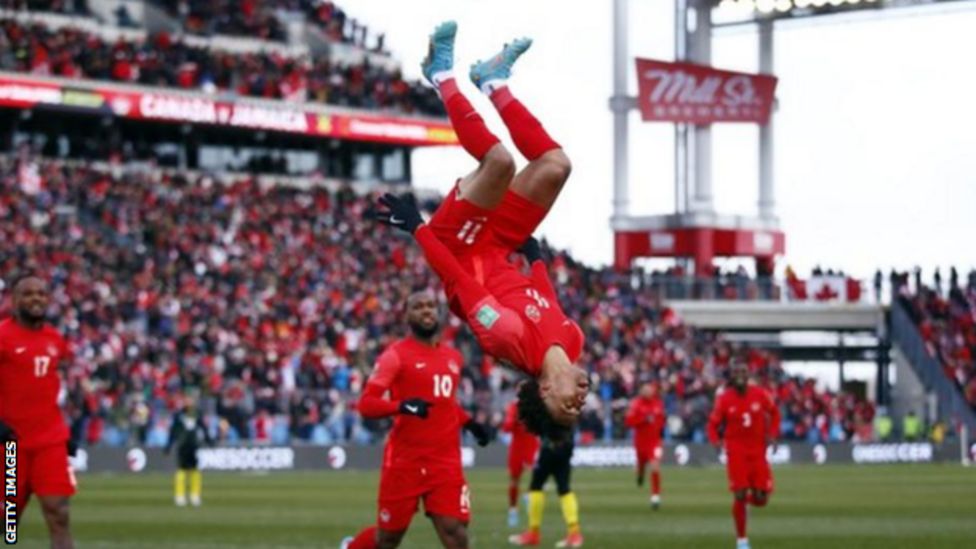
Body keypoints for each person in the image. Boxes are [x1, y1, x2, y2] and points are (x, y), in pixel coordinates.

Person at [372, 20, 588, 440]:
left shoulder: (507, 341)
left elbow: (456, 277)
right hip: (503, 244)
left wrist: (418, 227)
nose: (579, 402)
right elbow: (545, 300)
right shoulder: (574, 341)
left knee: (500, 164)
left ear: (544, 390)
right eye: (578, 409)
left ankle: (440, 74)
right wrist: (537, 260)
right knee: (556, 166)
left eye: (566, 406)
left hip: (459, 246)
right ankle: (493, 81)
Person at [341, 290, 491, 549]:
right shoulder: (394, 356)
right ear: (407, 315)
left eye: (431, 306)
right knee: (388, 540)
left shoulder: (453, 357)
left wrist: (469, 423)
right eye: (418, 306)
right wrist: (401, 406)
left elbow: (445, 403)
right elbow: (367, 404)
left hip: (444, 462)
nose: (426, 311)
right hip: (405, 461)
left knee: (455, 532)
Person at [0, 275, 76, 548]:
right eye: (29, 294)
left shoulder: (55, 340)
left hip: (49, 442)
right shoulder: (2, 336)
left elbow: (54, 385)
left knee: (59, 513)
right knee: (6, 520)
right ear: (15, 300)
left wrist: (68, 431)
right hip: (10, 445)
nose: (36, 299)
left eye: (41, 294)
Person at [707, 362, 781, 549]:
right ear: (731, 376)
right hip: (736, 452)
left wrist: (772, 435)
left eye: (743, 371)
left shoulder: (760, 393)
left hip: (757, 451)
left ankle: (746, 503)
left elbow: (775, 413)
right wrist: (716, 441)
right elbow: (712, 424)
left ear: (748, 374)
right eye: (736, 372)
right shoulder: (724, 399)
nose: (740, 374)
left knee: (762, 498)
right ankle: (742, 540)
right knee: (739, 493)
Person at [507, 432, 583, 548]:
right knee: (564, 488)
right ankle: (574, 532)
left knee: (536, 486)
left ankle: (533, 533)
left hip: (550, 446)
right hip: (566, 444)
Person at [164, 396, 213, 507]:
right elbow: (173, 431)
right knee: (181, 470)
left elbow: (203, 428)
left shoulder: (197, 414)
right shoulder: (178, 415)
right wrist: (168, 445)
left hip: (194, 445)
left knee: (195, 470)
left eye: (190, 401)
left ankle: (194, 495)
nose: (188, 403)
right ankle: (179, 496)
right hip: (182, 446)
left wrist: (209, 440)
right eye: (186, 401)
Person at [501, 397, 540, 527]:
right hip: (517, 446)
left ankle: (529, 495)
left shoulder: (536, 405)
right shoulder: (514, 406)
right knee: (514, 479)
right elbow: (507, 427)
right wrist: (511, 421)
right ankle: (513, 510)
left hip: (532, 443)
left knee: (538, 474)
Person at [625, 381, 665, 509]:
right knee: (641, 466)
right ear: (641, 391)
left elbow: (661, 420)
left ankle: (655, 496)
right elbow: (629, 421)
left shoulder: (658, 403)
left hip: (655, 442)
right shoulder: (636, 404)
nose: (649, 391)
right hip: (641, 442)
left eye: (650, 389)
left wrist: (661, 435)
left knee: (655, 466)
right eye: (646, 389)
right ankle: (640, 475)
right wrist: (643, 420)